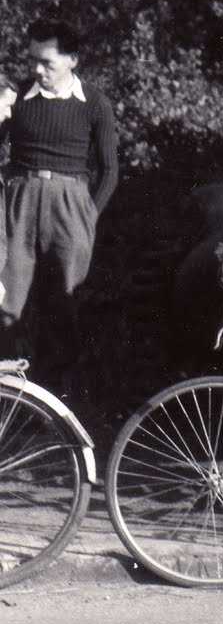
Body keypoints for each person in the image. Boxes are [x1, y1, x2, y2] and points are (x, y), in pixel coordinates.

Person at [0, 20, 119, 380]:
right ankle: (8, 394)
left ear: (72, 60)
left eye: (47, 63)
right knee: (6, 304)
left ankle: (55, 398)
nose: (37, 70)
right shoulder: (17, 97)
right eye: (33, 60)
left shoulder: (95, 104)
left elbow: (109, 171)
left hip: (69, 207)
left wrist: (87, 218)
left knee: (61, 306)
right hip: (18, 203)